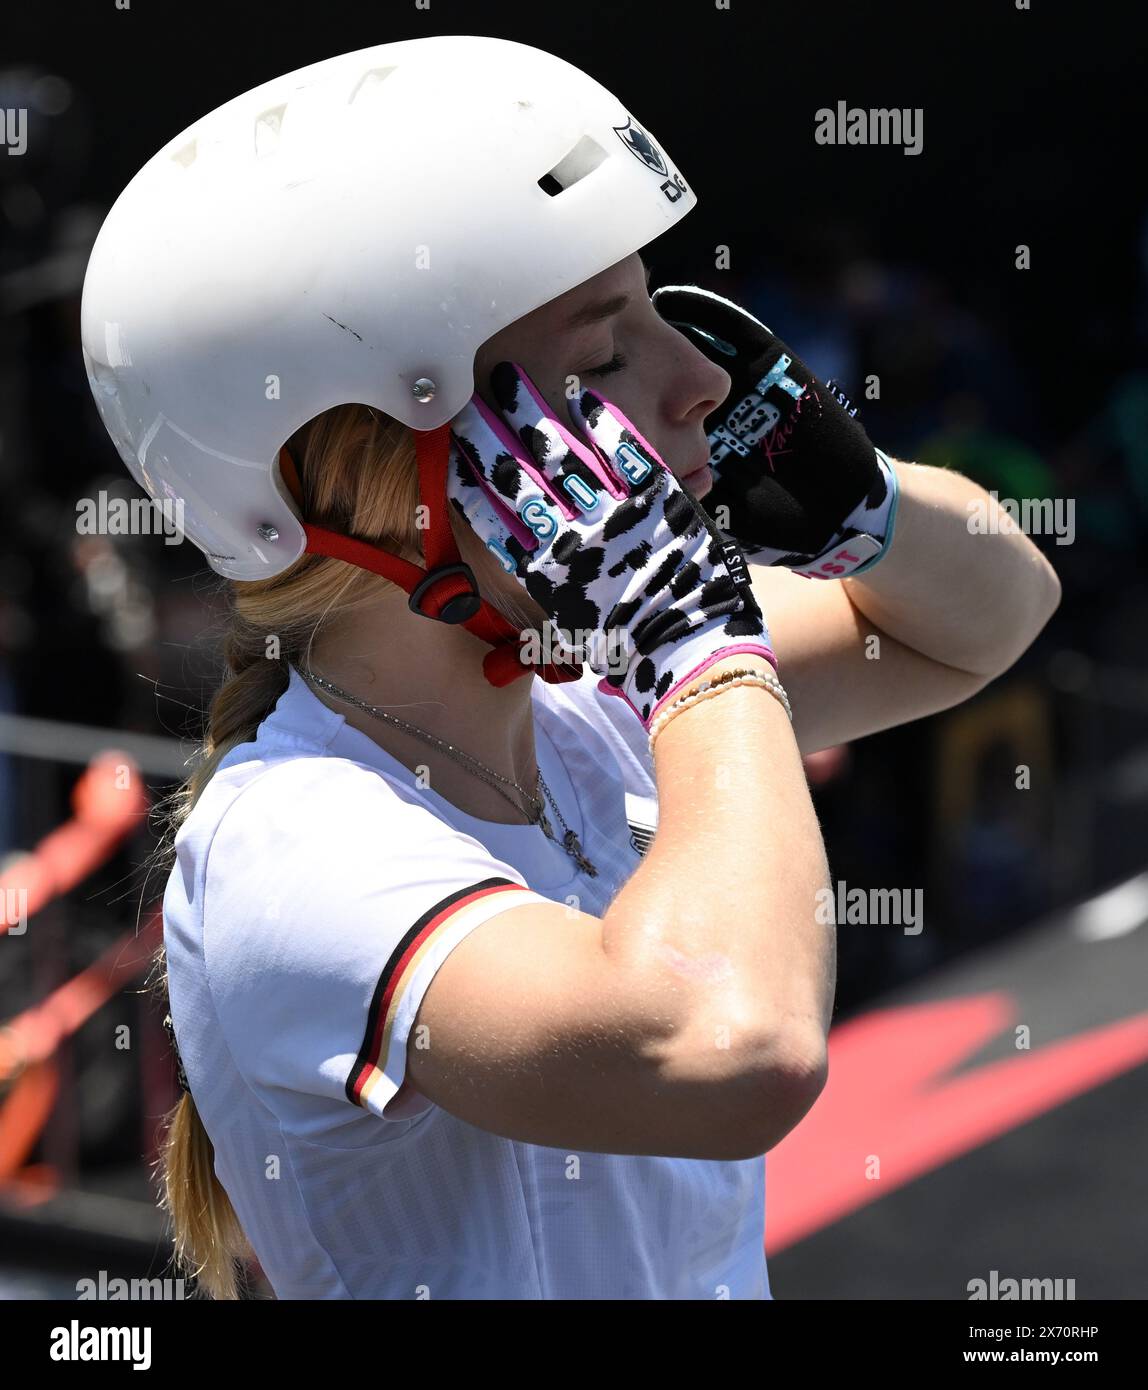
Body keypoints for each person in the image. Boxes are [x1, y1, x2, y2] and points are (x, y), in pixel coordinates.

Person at [82, 36, 1055, 1301]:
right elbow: (731, 1043)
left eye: (663, 319)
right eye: (601, 358)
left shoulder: (574, 690)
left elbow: (988, 610)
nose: (700, 378)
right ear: (383, 477)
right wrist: (700, 652)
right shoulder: (294, 841)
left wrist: (844, 491)